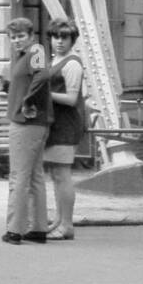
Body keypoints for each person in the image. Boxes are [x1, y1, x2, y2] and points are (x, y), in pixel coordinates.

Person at [0, 17, 53, 244]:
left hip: (25, 121)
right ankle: (38, 228)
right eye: (13, 37)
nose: (17, 40)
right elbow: (29, 82)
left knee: (18, 176)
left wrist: (27, 101)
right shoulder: (22, 56)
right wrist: (7, 86)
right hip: (34, 120)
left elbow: (43, 75)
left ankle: (14, 229)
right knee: (35, 176)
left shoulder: (36, 50)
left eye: (21, 36)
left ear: (31, 36)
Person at [43, 18, 85, 241]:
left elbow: (71, 98)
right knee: (56, 175)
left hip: (66, 124)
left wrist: (44, 94)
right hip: (55, 123)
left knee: (62, 174)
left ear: (72, 40)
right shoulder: (55, 60)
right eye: (55, 37)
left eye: (64, 37)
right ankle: (59, 220)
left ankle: (66, 224)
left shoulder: (72, 63)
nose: (59, 41)